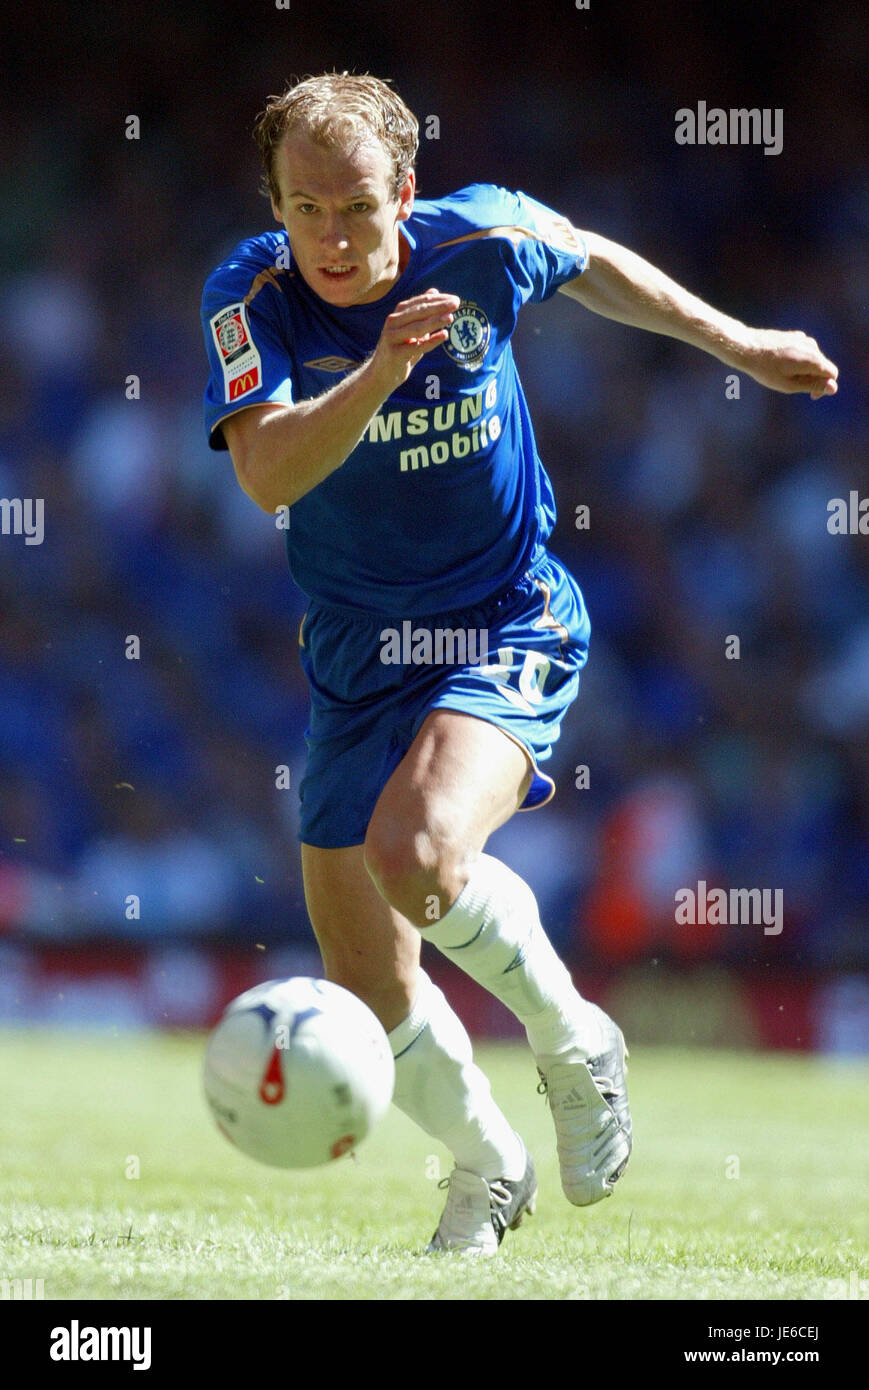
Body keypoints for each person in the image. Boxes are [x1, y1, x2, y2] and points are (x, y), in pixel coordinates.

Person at [201, 72, 838, 1255]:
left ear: (406, 189)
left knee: (418, 853)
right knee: (367, 974)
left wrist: (735, 341)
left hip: (504, 616)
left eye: (354, 207)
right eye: (305, 210)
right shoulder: (248, 293)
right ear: (274, 206)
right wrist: (380, 369)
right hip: (352, 651)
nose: (331, 239)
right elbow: (268, 472)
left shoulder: (483, 236)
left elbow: (588, 257)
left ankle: (572, 1038)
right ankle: (488, 1166)